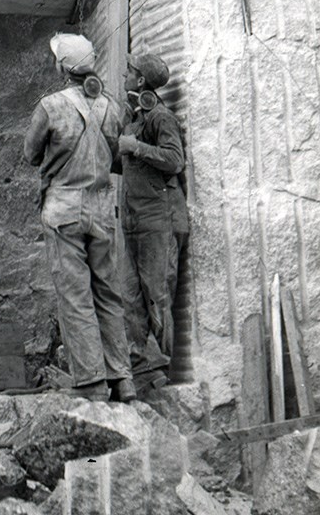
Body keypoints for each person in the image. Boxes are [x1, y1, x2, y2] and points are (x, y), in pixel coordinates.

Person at [23, 33, 136, 403]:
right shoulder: (112, 107)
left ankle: (91, 382)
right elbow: (118, 159)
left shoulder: (50, 106)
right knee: (108, 293)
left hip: (64, 211)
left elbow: (30, 155)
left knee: (75, 296)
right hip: (103, 211)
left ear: (63, 68)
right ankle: (123, 379)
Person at [118, 52, 185, 390]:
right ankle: (139, 368)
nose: (125, 75)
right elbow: (125, 164)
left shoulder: (161, 117)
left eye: (130, 71)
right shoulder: (133, 118)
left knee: (157, 297)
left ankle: (163, 374)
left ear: (141, 80)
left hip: (159, 219)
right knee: (130, 297)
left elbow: (174, 160)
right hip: (133, 219)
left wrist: (136, 148)